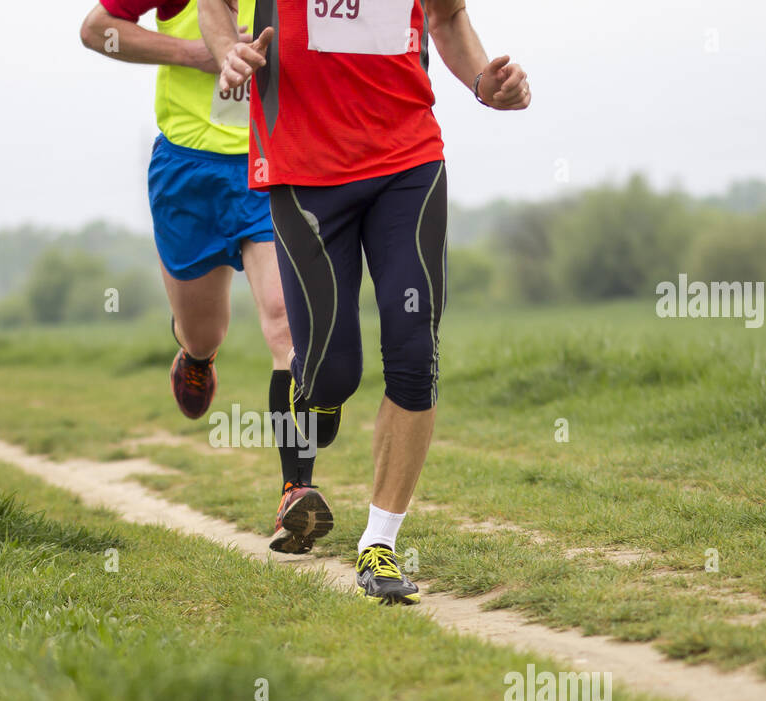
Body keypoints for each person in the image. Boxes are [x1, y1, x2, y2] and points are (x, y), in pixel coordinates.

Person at [201, 0, 531, 603]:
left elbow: (448, 19)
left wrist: (487, 83)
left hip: (407, 160)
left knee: (414, 348)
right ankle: (319, 397)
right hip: (303, 168)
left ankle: (379, 543)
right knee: (330, 374)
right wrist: (227, 50)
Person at [80, 0, 333, 554]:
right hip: (188, 172)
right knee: (205, 331)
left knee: (285, 324)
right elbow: (98, 31)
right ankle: (195, 357)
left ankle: (297, 489)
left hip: (270, 166)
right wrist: (196, 54)